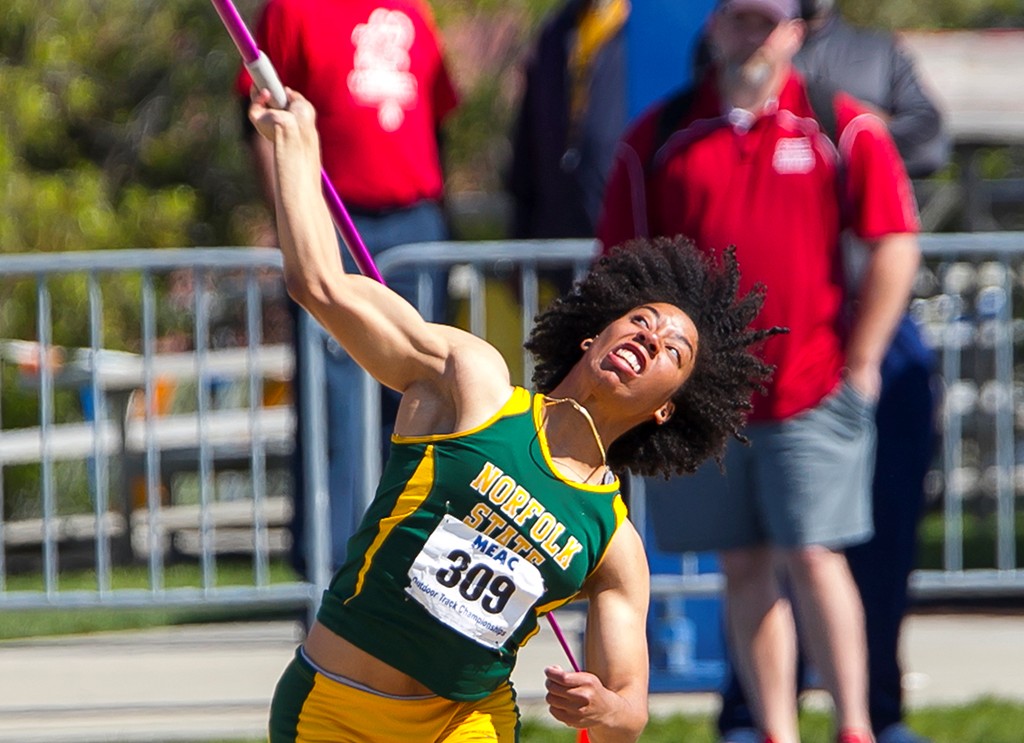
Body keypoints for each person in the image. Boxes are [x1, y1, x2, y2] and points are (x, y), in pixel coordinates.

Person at [249, 80, 780, 741]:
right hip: (335, 707)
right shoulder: (471, 385)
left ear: (669, 408)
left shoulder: (612, 544)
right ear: (593, 337)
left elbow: (629, 713)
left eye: (672, 350)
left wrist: (604, 708)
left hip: (464, 725)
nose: (649, 337)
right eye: (642, 320)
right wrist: (298, 147)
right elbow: (319, 285)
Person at [596, 0, 922, 741]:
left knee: (815, 556)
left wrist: (864, 362)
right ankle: (776, 729)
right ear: (714, 27)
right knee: (741, 565)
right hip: (706, 400)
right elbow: (620, 265)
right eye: (740, 19)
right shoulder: (658, 139)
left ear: (797, 32)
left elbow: (895, 241)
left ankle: (854, 726)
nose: (754, 35)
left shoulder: (842, 125)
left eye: (768, 21)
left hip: (811, 385)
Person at [714, 2, 949, 742]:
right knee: (752, 556)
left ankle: (871, 713)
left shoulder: (870, 62)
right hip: (748, 365)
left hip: (845, 349)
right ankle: (753, 715)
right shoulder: (713, 65)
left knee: (847, 547)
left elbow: (927, 139)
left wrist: (849, 126)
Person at [236, 0, 459, 573]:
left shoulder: (412, 10)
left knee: (424, 395)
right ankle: (333, 576)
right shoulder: (293, 9)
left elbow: (437, 122)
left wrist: (444, 220)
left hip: (415, 223)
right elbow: (263, 121)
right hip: (336, 222)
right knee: (335, 410)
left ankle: (414, 569)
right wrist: (295, 222)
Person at [506, 0, 630, 239]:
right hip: (560, 235)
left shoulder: (641, 31)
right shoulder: (556, 34)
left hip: (623, 237)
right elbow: (528, 144)